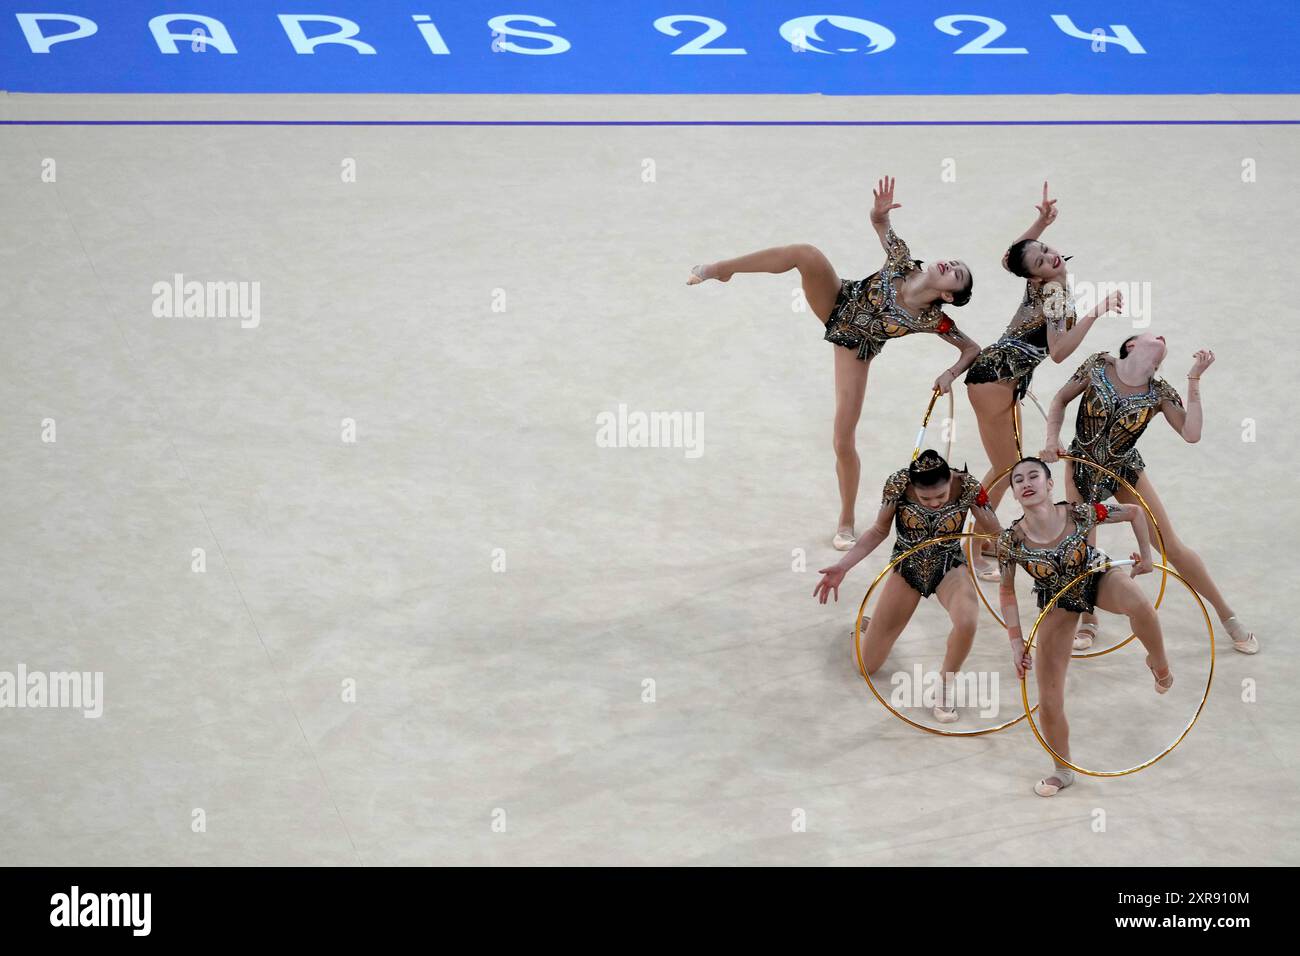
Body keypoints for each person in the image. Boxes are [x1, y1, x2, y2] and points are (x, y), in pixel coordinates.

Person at [690, 176, 981, 551]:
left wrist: (950, 373)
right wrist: (878, 212)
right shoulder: (902, 261)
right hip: (837, 298)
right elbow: (882, 226)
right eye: (955, 262)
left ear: (947, 294)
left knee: (843, 437)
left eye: (956, 274)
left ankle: (846, 520)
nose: (951, 265)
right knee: (806, 253)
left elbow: (970, 347)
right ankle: (721, 268)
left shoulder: (930, 319)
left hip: (855, 346)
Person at [1040, 336, 1258, 654]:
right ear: (1130, 347)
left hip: (1125, 470)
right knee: (1083, 548)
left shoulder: (1159, 392)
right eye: (1152, 336)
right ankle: (1089, 620)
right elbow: (1060, 399)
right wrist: (1051, 438)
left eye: (1163, 343)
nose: (1162, 338)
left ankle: (1227, 614)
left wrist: (1194, 379)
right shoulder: (1098, 364)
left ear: (1156, 364)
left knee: (1170, 545)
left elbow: (1191, 434)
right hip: (1081, 467)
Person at [965, 183, 1122, 578]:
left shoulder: (1038, 279)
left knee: (1006, 465)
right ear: (1034, 275)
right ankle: (979, 544)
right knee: (1006, 469)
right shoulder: (1052, 292)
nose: (1049, 257)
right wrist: (1095, 313)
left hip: (1001, 379)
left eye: (1047, 249)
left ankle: (981, 540)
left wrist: (1039, 222)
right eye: (1039, 259)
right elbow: (1058, 351)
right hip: (992, 380)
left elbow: (1009, 258)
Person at [997, 457, 1172, 796]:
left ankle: (1159, 662)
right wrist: (1017, 643)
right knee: (1048, 700)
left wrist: (1146, 556)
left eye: (1035, 475)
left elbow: (1134, 512)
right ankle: (1063, 770)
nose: (1026, 482)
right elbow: (1005, 592)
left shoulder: (1080, 513)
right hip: (1056, 602)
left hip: (1096, 576)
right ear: (1015, 494)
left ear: (1050, 485)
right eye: (1018, 480)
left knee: (1141, 606)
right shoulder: (1010, 542)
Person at [813, 450, 1000, 723]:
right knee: (867, 666)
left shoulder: (968, 485)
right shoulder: (898, 484)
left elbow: (995, 532)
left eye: (941, 496)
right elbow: (878, 531)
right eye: (925, 498)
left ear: (950, 479)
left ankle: (944, 690)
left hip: (949, 564)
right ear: (913, 486)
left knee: (967, 620)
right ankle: (861, 629)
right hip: (907, 565)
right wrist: (843, 566)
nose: (934, 503)